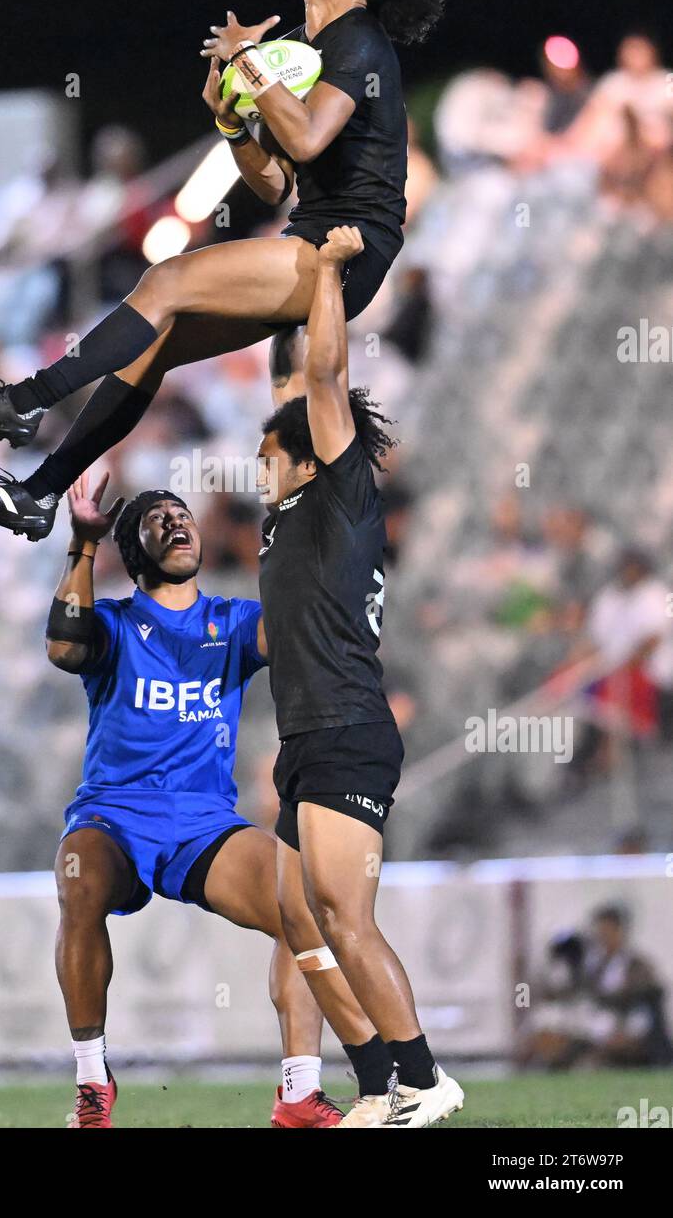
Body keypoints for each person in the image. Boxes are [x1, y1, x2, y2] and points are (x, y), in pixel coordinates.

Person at [0, 0, 445, 540]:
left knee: (165, 280)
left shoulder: (357, 38)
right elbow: (276, 179)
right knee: (156, 344)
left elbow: (310, 140)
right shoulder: (299, 53)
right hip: (309, 236)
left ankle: (26, 401)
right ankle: (40, 491)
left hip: (344, 250)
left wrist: (248, 61)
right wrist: (231, 123)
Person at [48, 472, 378, 1128]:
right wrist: (82, 546)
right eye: (158, 519)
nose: (177, 522)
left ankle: (298, 1093)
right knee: (77, 876)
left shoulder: (231, 620)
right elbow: (62, 646)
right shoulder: (113, 621)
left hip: (202, 822)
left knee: (298, 900)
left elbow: (302, 636)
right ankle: (92, 1081)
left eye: (183, 514)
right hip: (115, 813)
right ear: (136, 549)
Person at [257, 224, 464, 1128]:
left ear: (306, 456)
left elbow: (322, 382)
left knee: (344, 913)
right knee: (301, 922)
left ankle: (424, 1078)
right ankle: (376, 1086)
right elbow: (290, 383)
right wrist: (279, 307)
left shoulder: (336, 489)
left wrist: (328, 277)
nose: (255, 464)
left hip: (345, 725)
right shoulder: (291, 500)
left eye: (269, 452)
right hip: (305, 735)